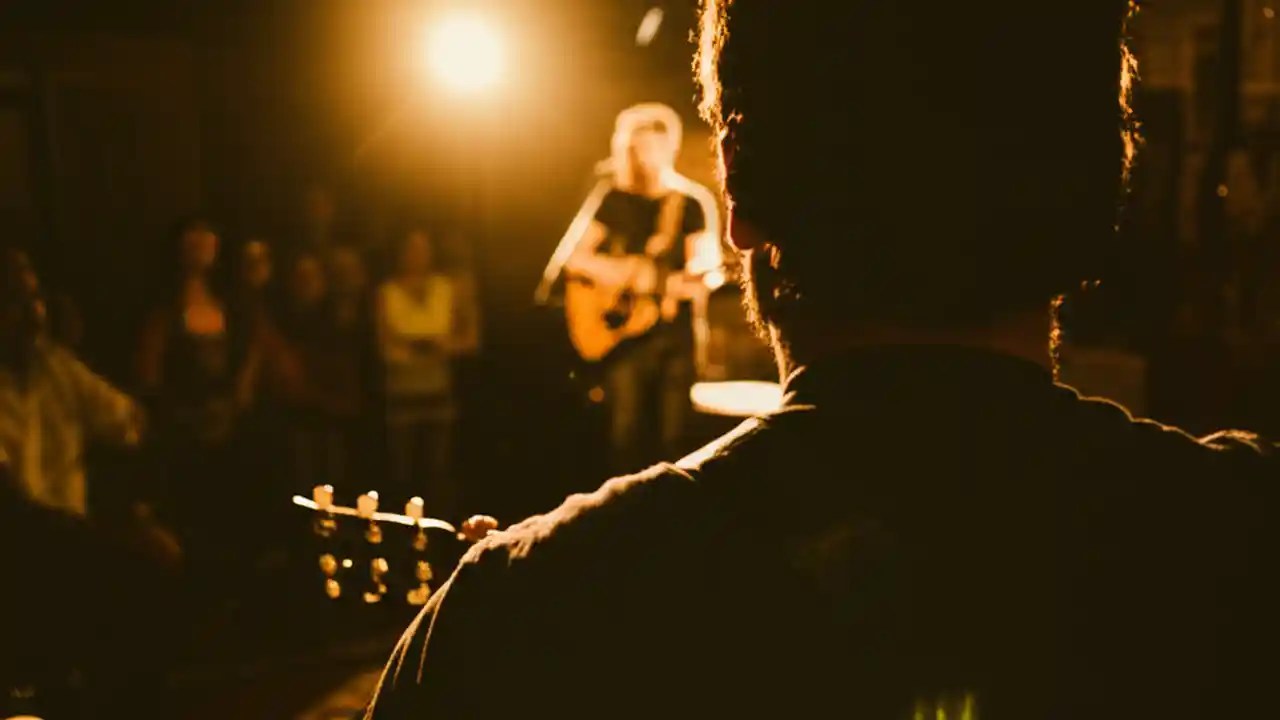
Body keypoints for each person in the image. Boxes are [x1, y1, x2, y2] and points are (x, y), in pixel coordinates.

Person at [366, 3, 1280, 718]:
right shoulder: (1246, 539)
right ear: (1102, 185)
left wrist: (548, 586)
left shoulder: (512, 620)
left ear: (737, 188)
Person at [563, 103, 722, 472]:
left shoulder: (692, 202)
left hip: (675, 336)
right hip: (623, 339)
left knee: (675, 443)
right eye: (634, 149)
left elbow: (706, 269)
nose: (642, 157)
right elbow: (573, 260)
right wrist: (627, 274)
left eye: (650, 147)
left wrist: (689, 279)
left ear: (670, 148)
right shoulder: (612, 199)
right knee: (625, 439)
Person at [376, 229, 478, 518]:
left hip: (438, 393)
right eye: (411, 249)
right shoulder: (387, 292)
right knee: (401, 474)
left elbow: (468, 339)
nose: (417, 256)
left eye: (423, 248)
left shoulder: (445, 288)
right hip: (401, 395)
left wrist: (441, 347)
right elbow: (385, 347)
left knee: (437, 472)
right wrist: (418, 349)